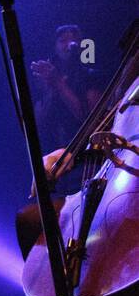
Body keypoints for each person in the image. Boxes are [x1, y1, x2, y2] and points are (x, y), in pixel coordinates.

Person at [31, 24, 104, 193]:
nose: (69, 43)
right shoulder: (47, 79)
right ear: (55, 47)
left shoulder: (91, 76)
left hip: (87, 161)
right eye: (63, 40)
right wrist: (50, 88)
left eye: (74, 39)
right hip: (55, 160)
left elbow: (91, 121)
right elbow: (38, 125)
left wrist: (58, 83)